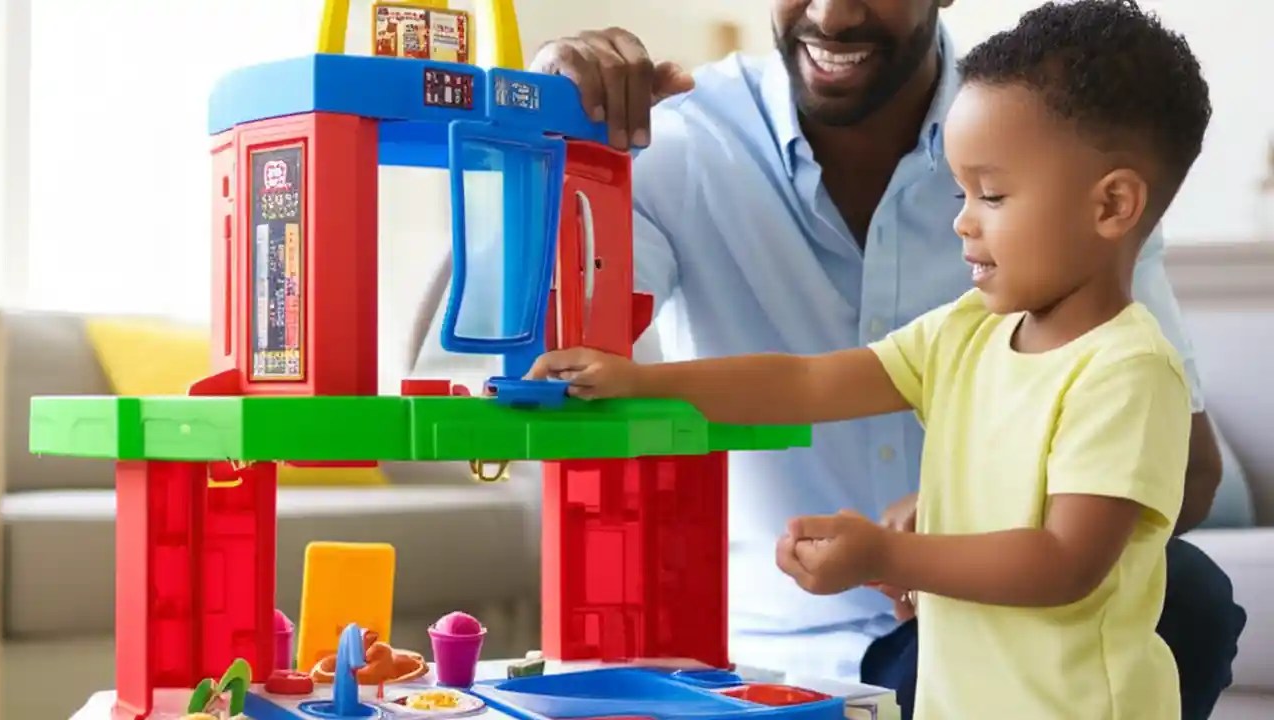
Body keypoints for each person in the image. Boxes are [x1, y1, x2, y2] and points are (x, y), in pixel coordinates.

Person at [528, 0, 1245, 717]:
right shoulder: (966, 329)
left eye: (990, 195)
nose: (961, 218)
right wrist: (637, 381)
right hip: (927, 681)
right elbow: (804, 382)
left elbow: (1066, 563)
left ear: (1112, 206)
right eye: (961, 190)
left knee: (1193, 594)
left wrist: (891, 555)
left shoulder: (1128, 367)